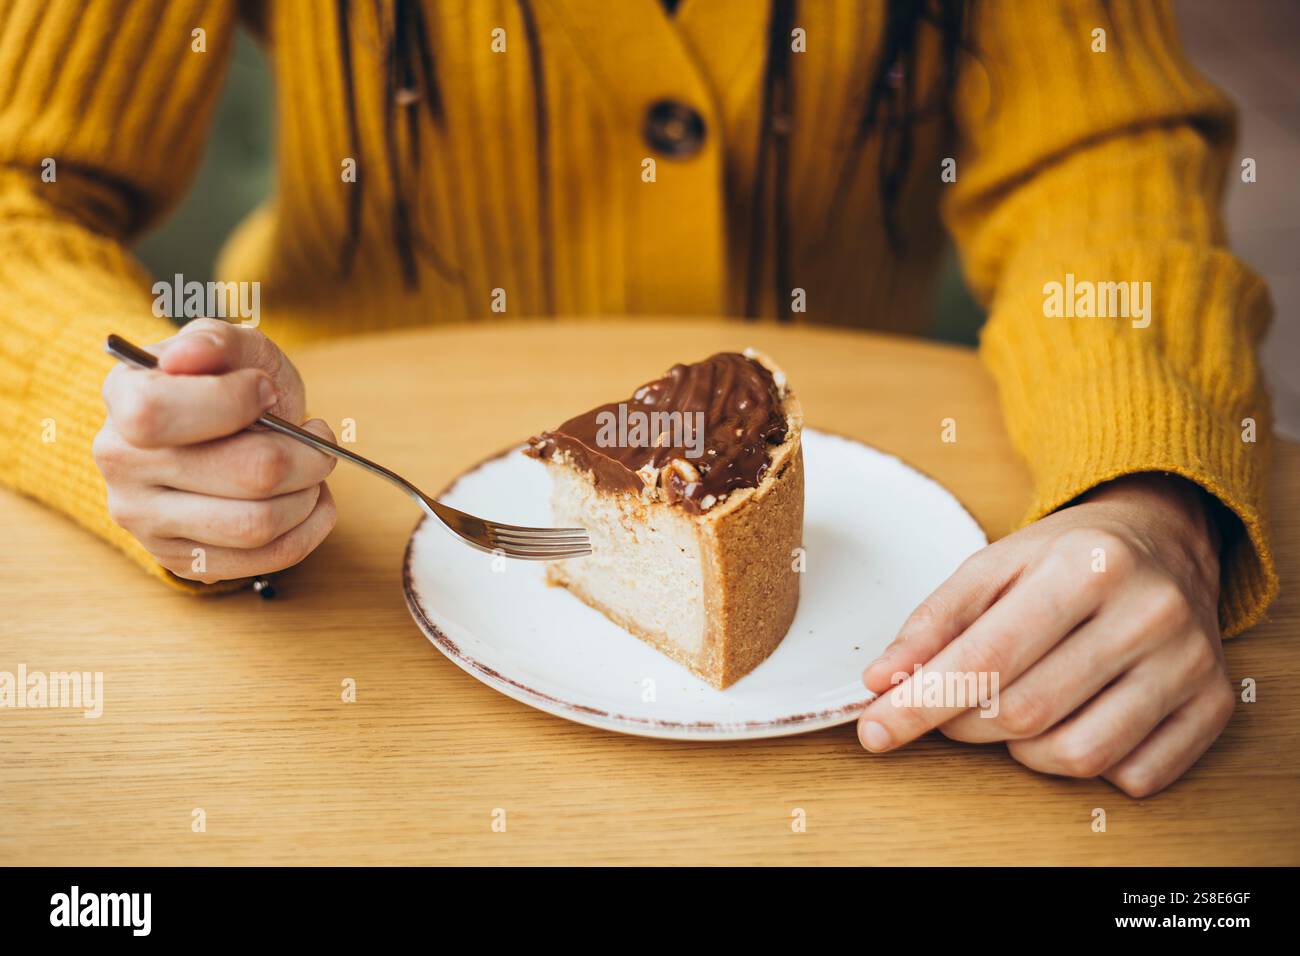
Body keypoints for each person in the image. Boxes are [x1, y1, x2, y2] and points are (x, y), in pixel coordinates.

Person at [0, 0, 1276, 796]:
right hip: (325, 576)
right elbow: (19, 185)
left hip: (875, 708)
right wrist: (122, 402)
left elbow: (1098, 156)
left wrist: (1146, 484)